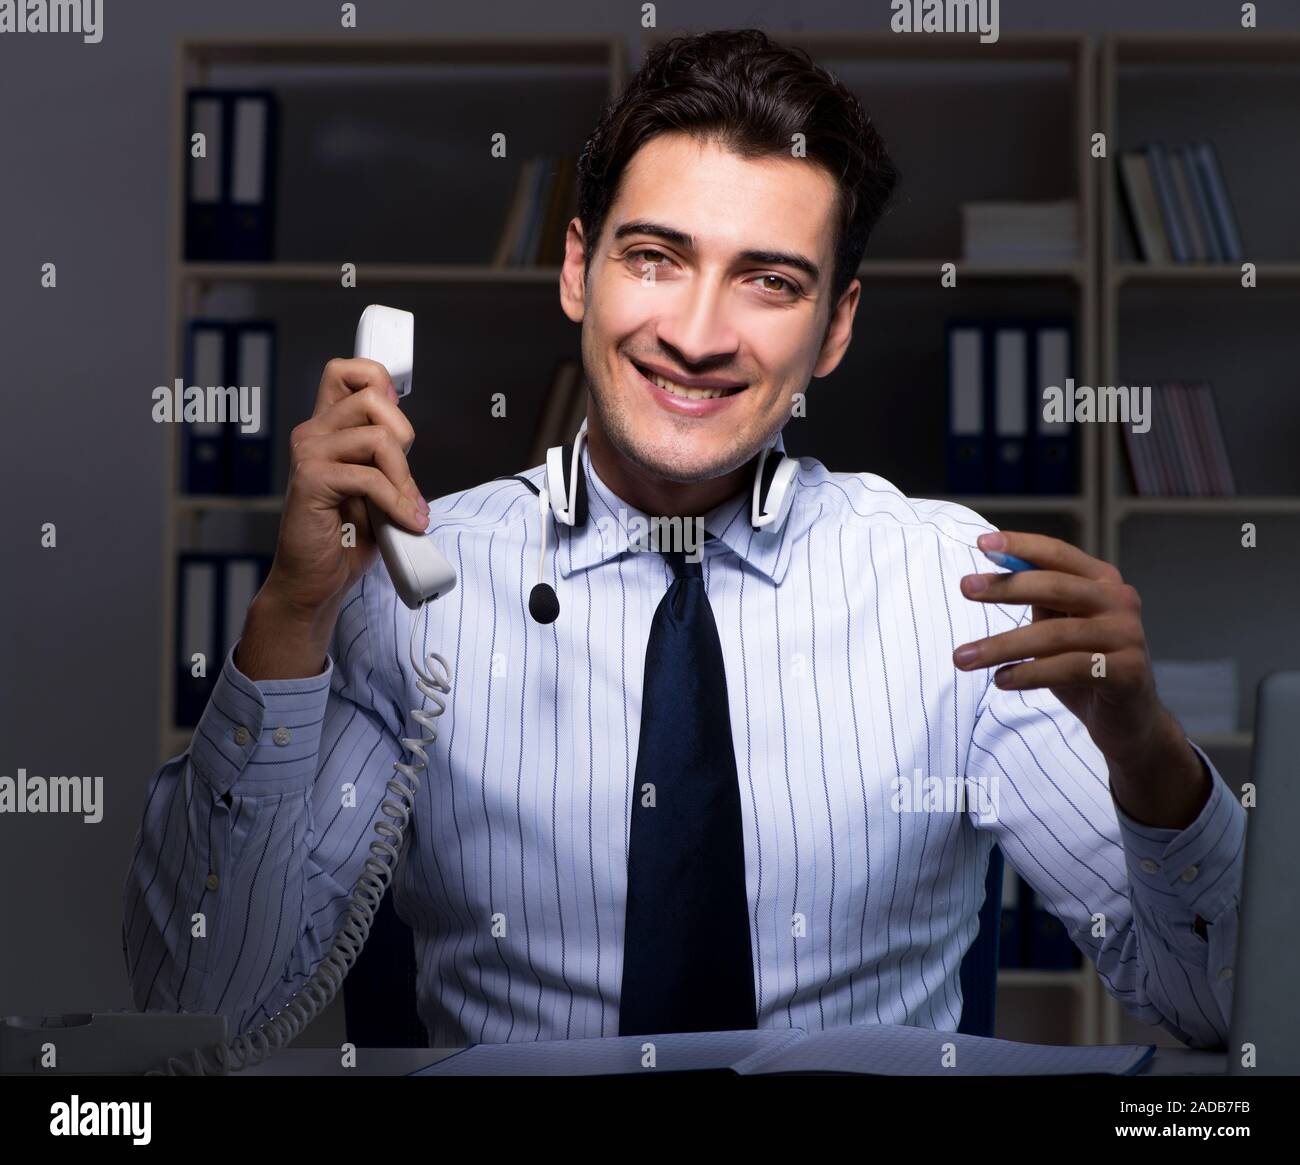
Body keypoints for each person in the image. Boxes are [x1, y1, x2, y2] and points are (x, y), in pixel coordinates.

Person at [123, 28, 1243, 1051]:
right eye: (655, 257)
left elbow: (1218, 1002)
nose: (698, 336)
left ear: (834, 327)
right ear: (578, 269)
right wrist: (291, 613)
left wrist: (1144, 748)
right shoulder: (411, 589)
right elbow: (199, 1005)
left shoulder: (955, 586)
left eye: (769, 281)